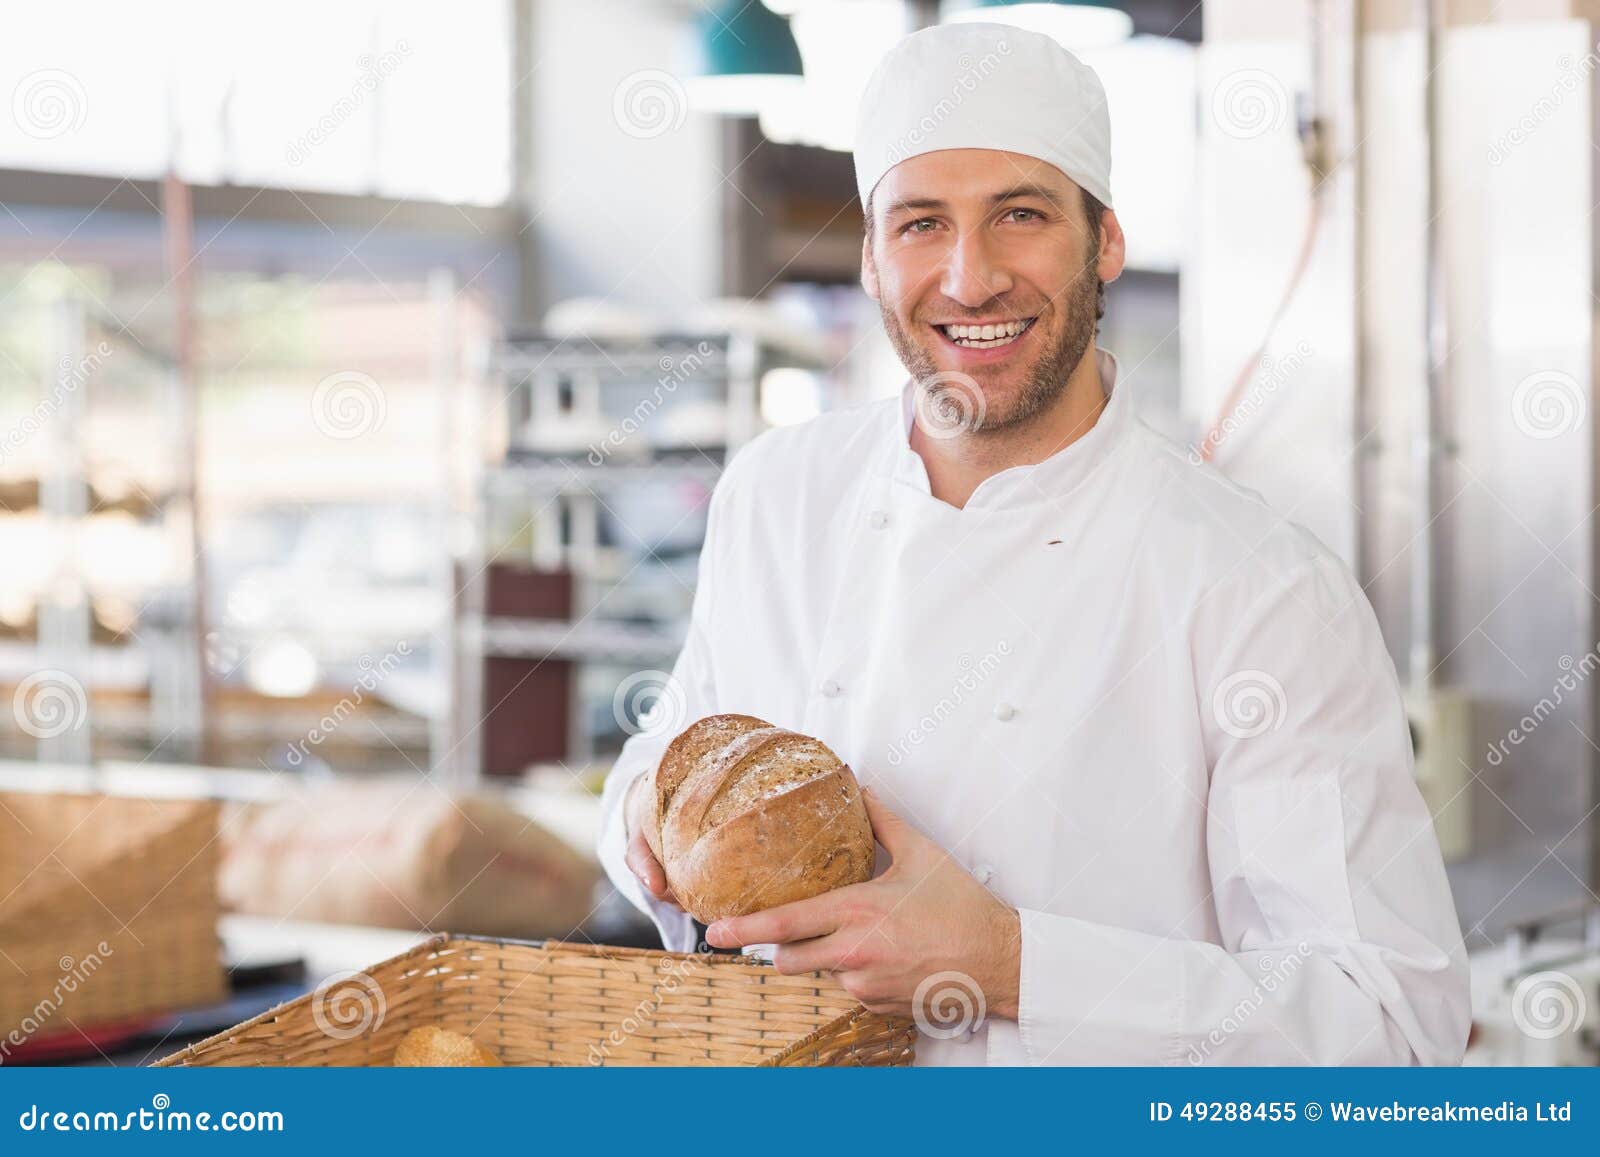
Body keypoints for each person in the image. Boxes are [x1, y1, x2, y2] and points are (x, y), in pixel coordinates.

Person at [597, 21, 1469, 1066]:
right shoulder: (775, 495)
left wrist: (1012, 960)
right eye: (920, 223)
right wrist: (646, 819)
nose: (969, 279)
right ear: (871, 257)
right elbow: (674, 757)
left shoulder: (1258, 587)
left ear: (1102, 242)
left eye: (1019, 214)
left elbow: (1389, 1023)